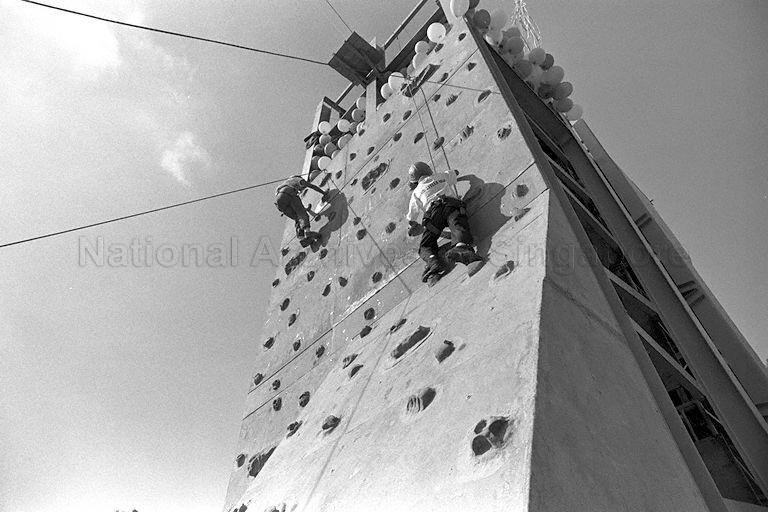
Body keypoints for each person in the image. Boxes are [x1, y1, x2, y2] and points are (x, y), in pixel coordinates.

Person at [406, 161, 482, 285]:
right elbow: (455, 173)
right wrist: (454, 175)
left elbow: (411, 216)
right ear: (428, 171)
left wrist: (413, 224)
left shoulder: (416, 192)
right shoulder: (440, 176)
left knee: (426, 245)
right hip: (450, 205)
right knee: (457, 225)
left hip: (433, 215)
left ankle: (433, 261)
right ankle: (461, 247)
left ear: (414, 181)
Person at [275, 175, 329, 240]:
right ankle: (308, 232)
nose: (301, 189)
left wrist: (305, 209)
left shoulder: (284, 184)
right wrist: (323, 193)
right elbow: (312, 186)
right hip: (287, 192)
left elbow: (293, 205)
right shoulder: (296, 179)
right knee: (302, 214)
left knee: (297, 218)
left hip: (280, 203)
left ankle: (302, 238)